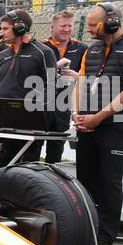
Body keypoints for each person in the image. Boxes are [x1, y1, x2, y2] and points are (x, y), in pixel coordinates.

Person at [68, 2, 123, 245]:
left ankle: (105, 238)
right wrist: (77, 113)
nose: (90, 29)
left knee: (109, 182)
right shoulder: (91, 50)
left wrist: (98, 117)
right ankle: (85, 230)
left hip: (116, 126)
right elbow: (80, 84)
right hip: (88, 124)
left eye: (95, 25)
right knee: (85, 180)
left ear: (112, 22)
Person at [0, 8, 57, 168]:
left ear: (20, 27)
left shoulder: (43, 52)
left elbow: (51, 86)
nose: (1, 33)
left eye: (5, 28)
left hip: (26, 124)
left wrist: (40, 116)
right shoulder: (2, 55)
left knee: (23, 170)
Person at [42, 9, 85, 164]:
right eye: (63, 26)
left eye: (70, 26)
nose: (67, 30)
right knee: (33, 146)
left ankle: (51, 183)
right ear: (52, 27)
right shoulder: (40, 47)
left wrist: (77, 76)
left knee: (56, 150)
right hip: (40, 103)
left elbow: (91, 76)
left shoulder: (81, 48)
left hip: (64, 104)